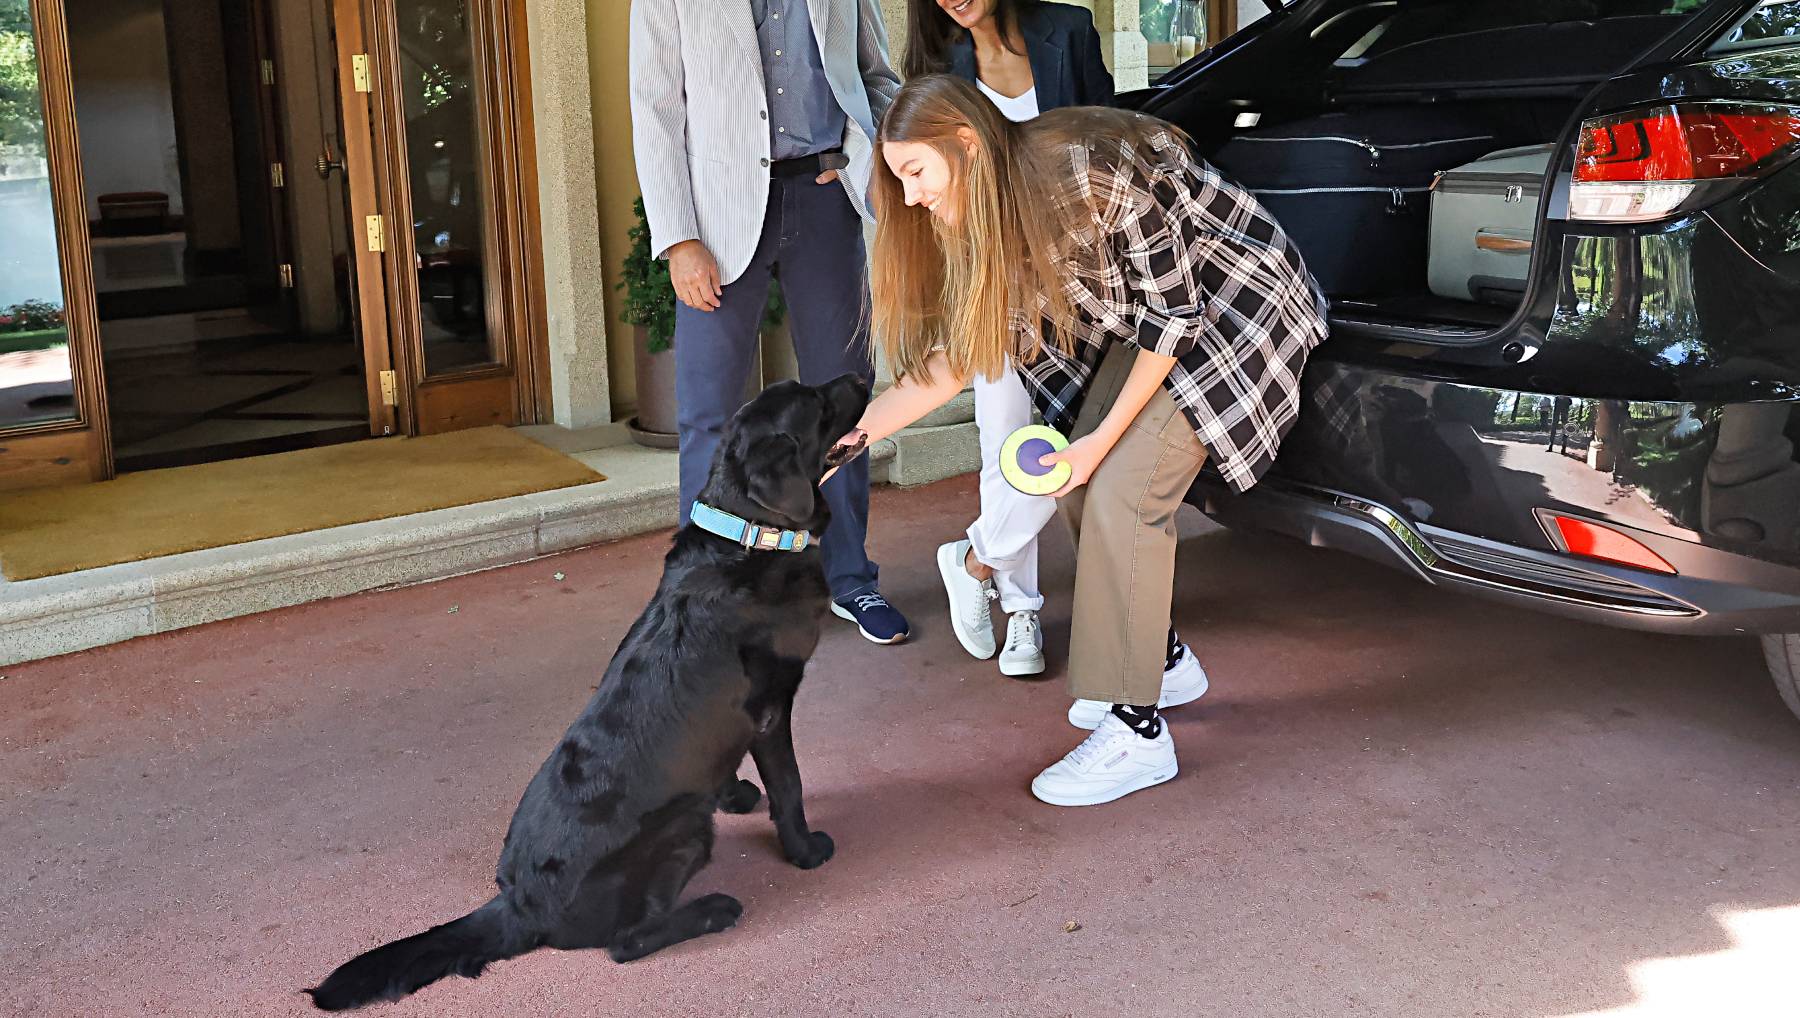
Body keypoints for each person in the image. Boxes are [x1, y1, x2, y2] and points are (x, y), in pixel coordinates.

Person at [836, 75, 1328, 805]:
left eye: (915, 172)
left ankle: (1139, 736)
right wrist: (848, 439)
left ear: (965, 145)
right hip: (1155, 329)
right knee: (1070, 474)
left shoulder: (1090, 174)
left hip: (1236, 309)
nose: (909, 197)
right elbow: (957, 359)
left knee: (1124, 492)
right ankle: (1158, 661)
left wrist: (1100, 447)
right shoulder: (979, 214)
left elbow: (1175, 317)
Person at [629, 0, 911, 644]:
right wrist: (677, 240)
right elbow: (655, 108)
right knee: (707, 411)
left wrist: (872, 159)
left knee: (846, 398)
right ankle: (703, 590)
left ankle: (850, 581)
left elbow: (876, 76)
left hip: (824, 199)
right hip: (720, 220)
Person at [898, 0, 1128, 680]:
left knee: (1072, 442)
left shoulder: (1069, 30)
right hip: (992, 276)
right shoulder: (939, 67)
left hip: (1082, 279)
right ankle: (1023, 609)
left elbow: (1108, 136)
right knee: (1008, 444)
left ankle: (973, 561)